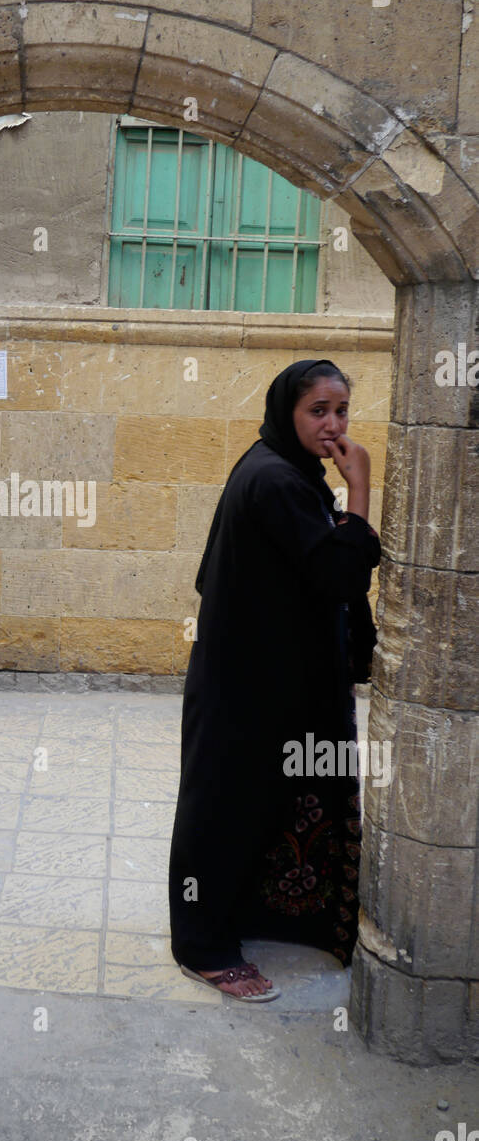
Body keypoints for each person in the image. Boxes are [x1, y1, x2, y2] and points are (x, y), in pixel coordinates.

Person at [168, 359, 381, 1002]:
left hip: (260, 678)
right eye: (318, 411)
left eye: (341, 411)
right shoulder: (278, 480)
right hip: (247, 688)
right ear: (288, 411)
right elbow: (339, 575)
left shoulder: (277, 467)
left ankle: (249, 916)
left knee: (261, 803)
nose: (333, 425)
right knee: (223, 809)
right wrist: (361, 489)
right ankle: (203, 948)